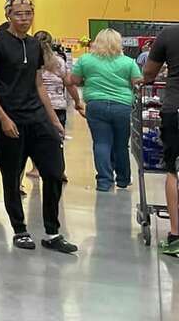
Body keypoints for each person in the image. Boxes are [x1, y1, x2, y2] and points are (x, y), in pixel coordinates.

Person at [0, 0, 76, 253]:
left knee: (54, 173)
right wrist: (2, 117)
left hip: (37, 118)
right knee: (12, 177)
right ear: (8, 16)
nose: (24, 18)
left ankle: (52, 232)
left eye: (28, 13)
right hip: (10, 119)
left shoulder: (35, 45)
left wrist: (54, 119)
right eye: (18, 14)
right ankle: (20, 229)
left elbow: (38, 84)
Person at [72, 28, 141, 193]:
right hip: (122, 107)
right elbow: (137, 82)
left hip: (96, 105)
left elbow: (74, 80)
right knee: (121, 145)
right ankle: (123, 180)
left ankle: (104, 182)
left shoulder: (85, 60)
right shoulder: (128, 62)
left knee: (101, 143)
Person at [142, 24, 179, 257]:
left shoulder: (169, 34)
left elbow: (148, 74)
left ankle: (176, 235)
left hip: (175, 109)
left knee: (173, 169)